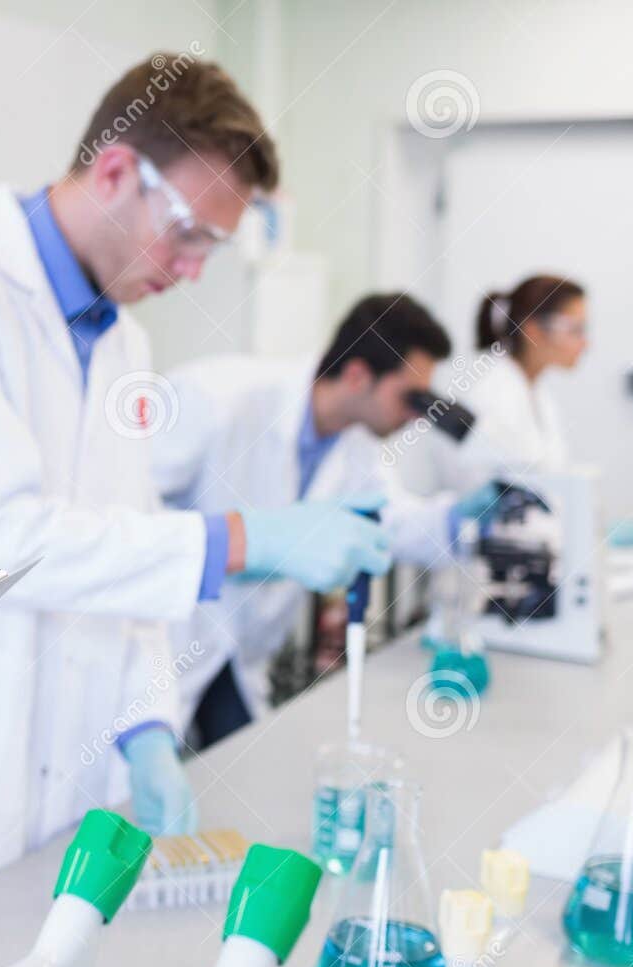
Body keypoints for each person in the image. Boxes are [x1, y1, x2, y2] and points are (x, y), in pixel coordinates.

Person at [0, 58, 389, 967]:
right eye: (186, 234)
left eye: (213, 246)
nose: (190, 269)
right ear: (112, 174)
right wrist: (244, 540)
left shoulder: (124, 335)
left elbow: (120, 538)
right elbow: (3, 541)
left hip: (68, 760)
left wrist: (146, 725)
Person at [156, 294, 498, 743]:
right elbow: (125, 510)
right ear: (358, 375)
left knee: (239, 773)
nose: (418, 416)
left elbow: (385, 522)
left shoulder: (357, 445)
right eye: (410, 397)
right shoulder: (219, 397)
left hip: (240, 654)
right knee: (127, 793)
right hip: (164, 644)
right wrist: (229, 546)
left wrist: (455, 519)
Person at [425, 274, 587, 492]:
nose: (585, 343)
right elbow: (479, 490)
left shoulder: (536, 391)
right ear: (532, 330)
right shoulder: (491, 392)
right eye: (575, 330)